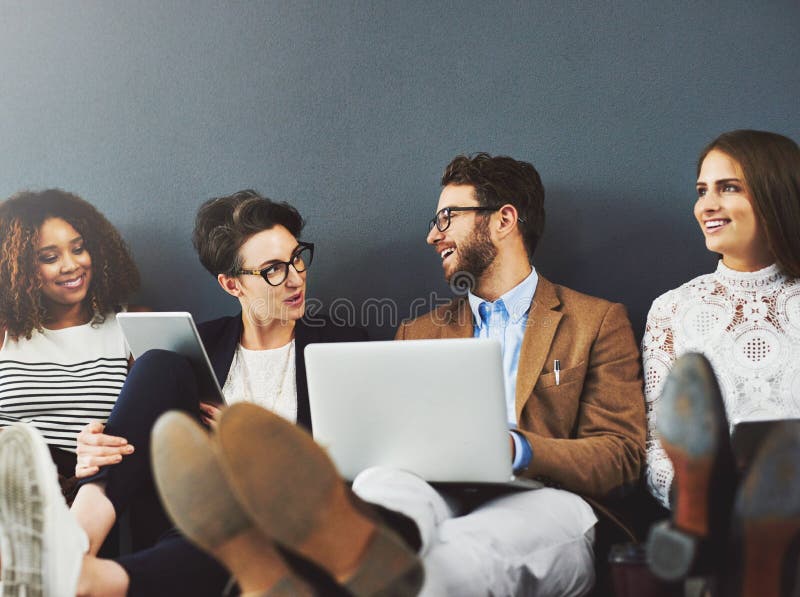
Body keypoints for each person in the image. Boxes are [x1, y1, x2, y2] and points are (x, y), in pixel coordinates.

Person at [151, 153, 647, 596]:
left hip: (547, 499)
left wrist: (518, 448)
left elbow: (622, 456)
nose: (433, 234)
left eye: (447, 218)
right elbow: (381, 444)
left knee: (468, 550)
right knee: (384, 486)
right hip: (431, 490)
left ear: (503, 220)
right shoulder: (419, 331)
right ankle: (339, 547)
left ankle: (297, 580)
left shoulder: (595, 321)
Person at [0, 190, 367, 596]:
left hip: (280, 519)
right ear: (232, 284)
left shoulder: (342, 343)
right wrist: (94, 446)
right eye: (273, 270)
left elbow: (358, 467)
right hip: (190, 510)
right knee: (159, 362)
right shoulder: (199, 345)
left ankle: (79, 576)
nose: (296, 277)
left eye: (297, 257)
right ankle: (74, 543)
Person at [641, 130, 800, 590]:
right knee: (724, 498)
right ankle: (716, 511)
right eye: (701, 191)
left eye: (728, 187)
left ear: (776, 193)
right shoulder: (672, 310)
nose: (706, 205)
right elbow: (657, 446)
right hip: (716, 514)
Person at [0, 189, 142, 491]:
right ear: (19, 269)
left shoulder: (130, 325)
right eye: (50, 257)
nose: (71, 265)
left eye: (78, 249)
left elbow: (148, 423)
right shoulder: (5, 333)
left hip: (93, 488)